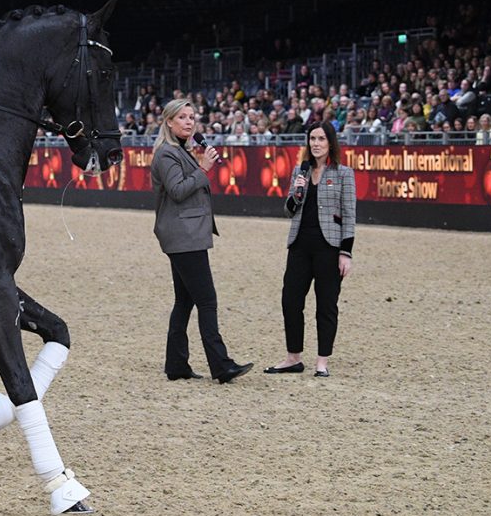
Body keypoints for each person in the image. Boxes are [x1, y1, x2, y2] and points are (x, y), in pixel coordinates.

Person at [150, 99, 253, 385]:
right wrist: (204, 168)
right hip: (184, 235)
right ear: (169, 122)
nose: (189, 122)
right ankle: (221, 365)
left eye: (192, 117)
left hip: (186, 234)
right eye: (182, 117)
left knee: (184, 301)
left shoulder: (179, 151)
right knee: (207, 300)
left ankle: (176, 364)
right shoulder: (167, 154)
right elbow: (178, 190)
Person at [266, 122, 356, 378]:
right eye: (312, 139)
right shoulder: (300, 171)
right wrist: (297, 192)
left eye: (321, 139)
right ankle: (293, 357)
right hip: (300, 245)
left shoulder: (343, 173)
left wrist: (345, 253)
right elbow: (289, 210)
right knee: (290, 300)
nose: (316, 143)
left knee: (326, 305)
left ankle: (322, 362)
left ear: (330, 143)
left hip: (329, 248)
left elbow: (349, 215)